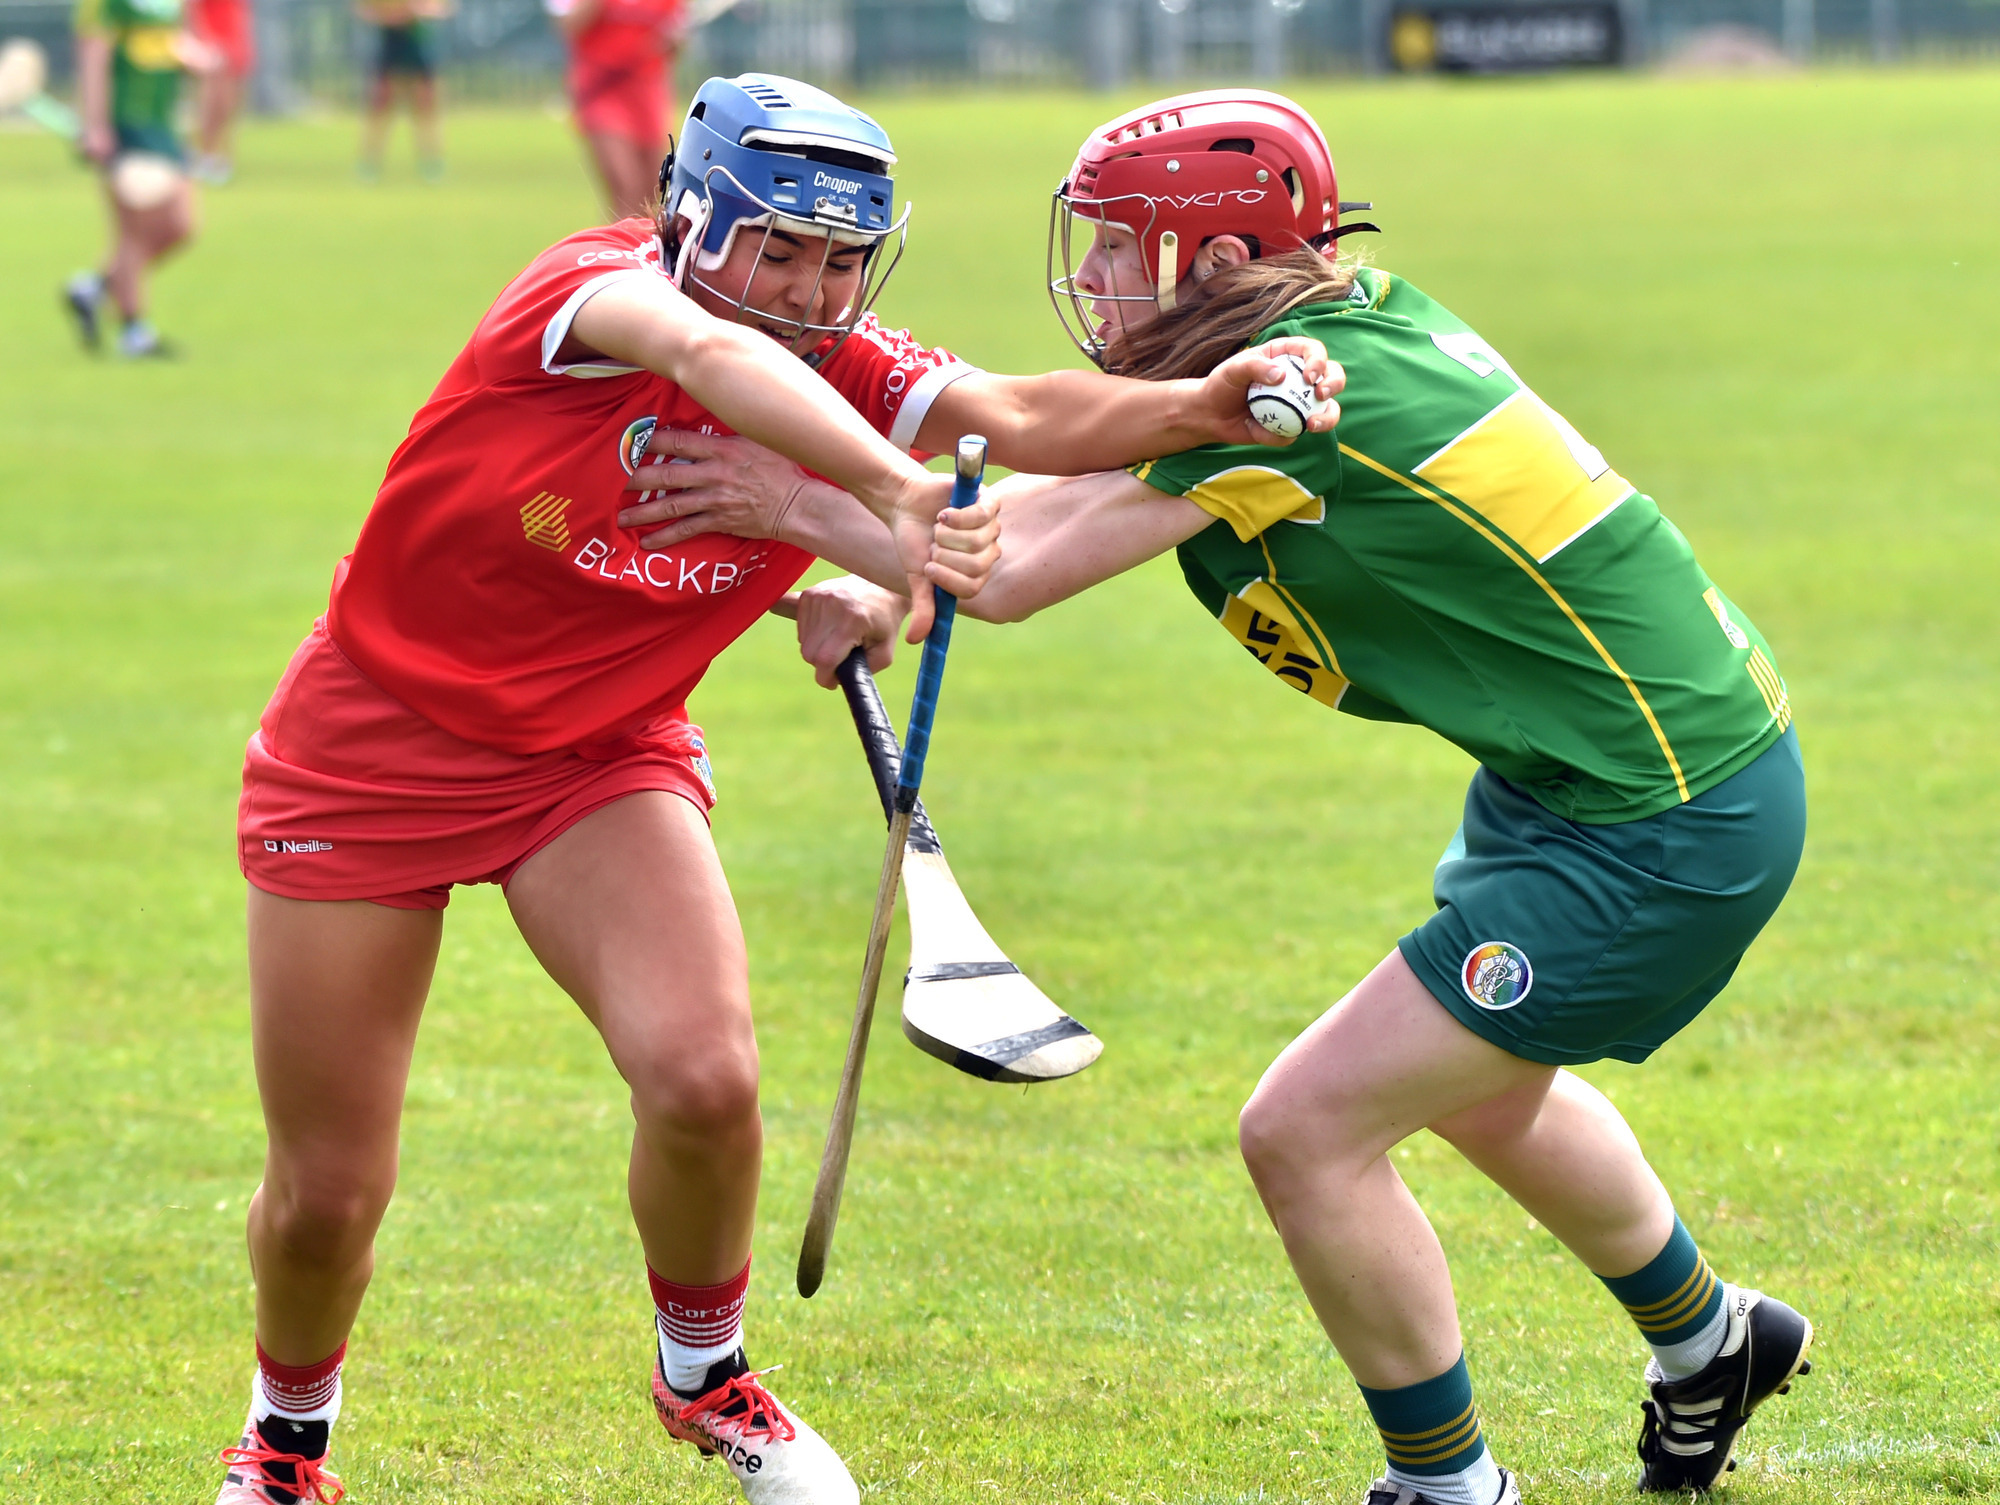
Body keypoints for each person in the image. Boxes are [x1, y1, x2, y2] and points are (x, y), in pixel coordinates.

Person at [631, 87, 1815, 1505]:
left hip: (1663, 821)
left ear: (1208, 263)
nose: (1092, 277)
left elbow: (1003, 570)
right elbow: (1001, 543)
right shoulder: (1306, 343)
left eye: (1119, 247)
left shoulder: (1289, 403)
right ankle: (1714, 1343)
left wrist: (787, 504)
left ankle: (1449, 1487)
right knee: (1484, 1088)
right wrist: (887, 583)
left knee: (1307, 1128)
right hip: (1600, 778)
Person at [213, 73, 1333, 1505]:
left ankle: (706, 1377)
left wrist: (1197, 402)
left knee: (706, 1076)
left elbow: (1019, 407)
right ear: (690, 220)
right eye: (776, 250)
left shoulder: (851, 358)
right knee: (329, 1193)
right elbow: (708, 355)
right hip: (371, 752)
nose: (809, 292)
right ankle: (288, 1438)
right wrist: (893, 497)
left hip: (596, 759)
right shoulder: (593, 294)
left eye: (842, 259)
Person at [63, 0, 217, 357]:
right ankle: (133, 332)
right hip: (125, 122)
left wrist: (196, 60)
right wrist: (96, 126)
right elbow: (93, 59)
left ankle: (95, 288)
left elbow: (176, 43)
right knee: (134, 231)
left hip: (161, 123)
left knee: (181, 225)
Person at [545, 0, 683, 218]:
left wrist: (671, 41)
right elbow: (568, 24)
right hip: (602, 91)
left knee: (656, 190)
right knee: (627, 186)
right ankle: (617, 250)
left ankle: (643, 249)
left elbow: (677, 37)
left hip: (648, 92)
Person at [355, 0, 447, 180]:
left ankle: (431, 162)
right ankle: (370, 163)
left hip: (419, 48)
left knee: (426, 108)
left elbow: (441, 9)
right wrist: (389, 17)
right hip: (390, 48)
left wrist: (417, 11)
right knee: (379, 107)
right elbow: (363, 10)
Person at [187, 0, 252, 182]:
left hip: (236, 36)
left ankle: (223, 157)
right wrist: (200, 38)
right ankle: (204, 153)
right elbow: (191, 8)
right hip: (213, 36)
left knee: (230, 103)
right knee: (213, 98)